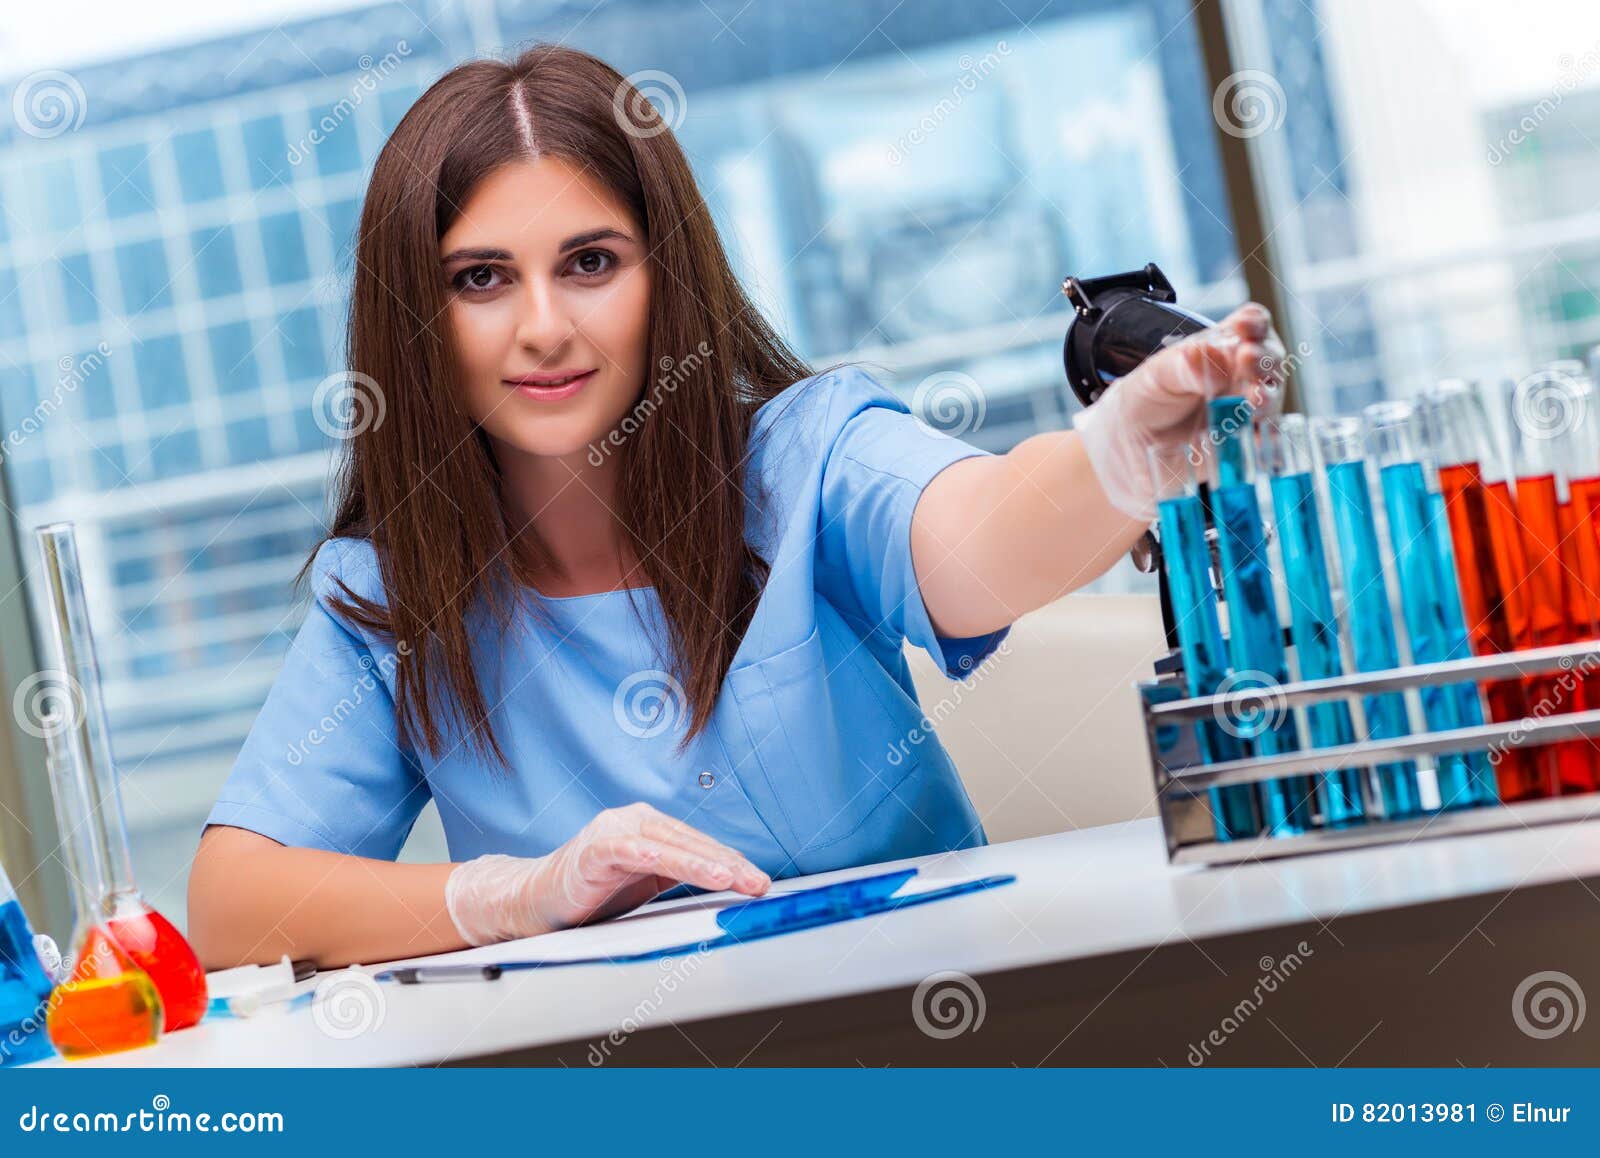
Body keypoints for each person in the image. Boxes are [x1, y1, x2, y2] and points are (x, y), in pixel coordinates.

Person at [188, 43, 1282, 968]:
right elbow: (231, 903)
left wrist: (1117, 453)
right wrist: (512, 898)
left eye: (590, 262)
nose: (543, 327)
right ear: (414, 318)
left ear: (666, 276)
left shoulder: (803, 460)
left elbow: (980, 538)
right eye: (480, 278)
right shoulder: (388, 595)